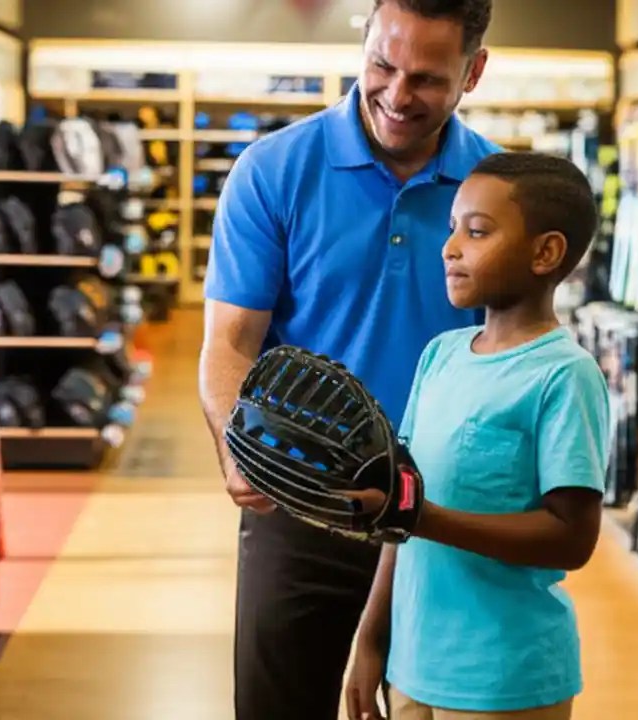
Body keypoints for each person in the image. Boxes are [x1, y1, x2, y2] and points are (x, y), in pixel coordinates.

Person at [197, 0, 503, 717]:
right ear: (363, 40)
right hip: (297, 502)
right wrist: (237, 444)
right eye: (382, 65)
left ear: (474, 71)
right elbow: (230, 342)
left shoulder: (500, 191)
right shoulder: (273, 171)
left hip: (442, 511)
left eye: (427, 79)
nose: (397, 97)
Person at [342, 152, 610, 720]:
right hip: (414, 667)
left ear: (547, 253)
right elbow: (402, 507)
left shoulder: (563, 375)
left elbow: (571, 537)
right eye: (452, 228)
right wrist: (370, 638)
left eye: (478, 231)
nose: (450, 247)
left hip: (504, 680)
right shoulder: (441, 355)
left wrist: (424, 518)